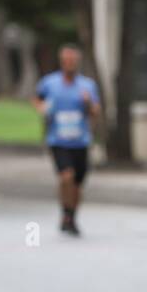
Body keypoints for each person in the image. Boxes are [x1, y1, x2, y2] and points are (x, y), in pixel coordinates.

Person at [34, 45, 100, 237]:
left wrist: (88, 103)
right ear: (62, 62)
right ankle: (65, 212)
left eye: (73, 61)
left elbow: (96, 110)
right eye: (66, 60)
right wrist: (43, 108)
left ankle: (71, 215)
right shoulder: (50, 83)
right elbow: (37, 99)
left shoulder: (87, 85)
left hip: (80, 140)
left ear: (77, 63)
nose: (70, 64)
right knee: (66, 177)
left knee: (77, 184)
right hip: (58, 139)